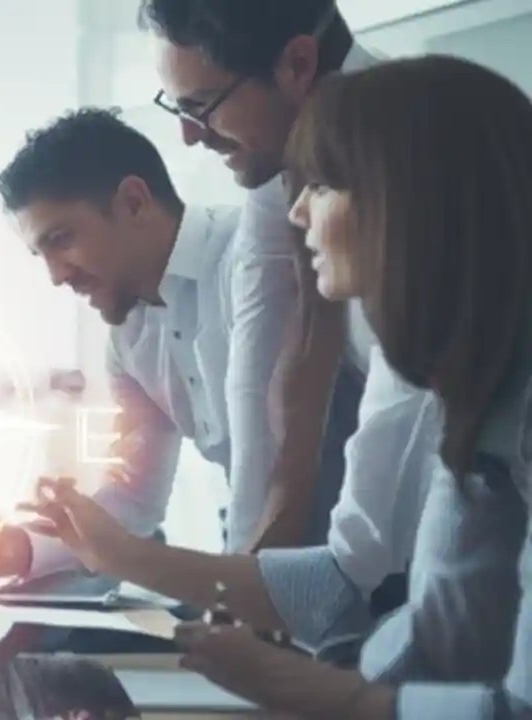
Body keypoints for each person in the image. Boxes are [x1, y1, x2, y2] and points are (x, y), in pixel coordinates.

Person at [41, 56, 532, 717]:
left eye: (323, 185)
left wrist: (322, 693)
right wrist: (114, 552)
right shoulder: (468, 393)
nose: (296, 214)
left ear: (412, 203)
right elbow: (399, 610)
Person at [0, 107, 356, 588]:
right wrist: (20, 548)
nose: (56, 275)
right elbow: (135, 499)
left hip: (372, 565)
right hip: (271, 578)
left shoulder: (254, 263)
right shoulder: (128, 341)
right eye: (40, 254)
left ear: (133, 202)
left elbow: (279, 461)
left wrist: (237, 600)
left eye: (61, 239)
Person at [140, 0, 425, 620]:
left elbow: (358, 556)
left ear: (298, 63)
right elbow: (273, 363)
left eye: (201, 106)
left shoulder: (418, 172)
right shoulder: (293, 149)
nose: (189, 135)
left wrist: (249, 590)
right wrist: (250, 565)